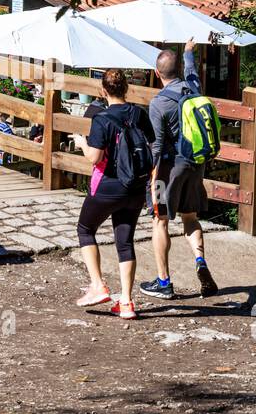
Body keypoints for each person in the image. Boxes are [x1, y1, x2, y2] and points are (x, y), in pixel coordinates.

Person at [75, 69, 155, 320]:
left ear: (103, 91)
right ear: (126, 89)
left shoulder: (102, 119)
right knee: (125, 241)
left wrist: (81, 143)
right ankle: (127, 303)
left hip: (108, 187)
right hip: (135, 187)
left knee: (85, 229)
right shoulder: (139, 114)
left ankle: (98, 285)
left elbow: (95, 157)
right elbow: (152, 145)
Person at [139, 40, 216, 301]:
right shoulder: (193, 88)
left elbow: (157, 145)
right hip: (196, 164)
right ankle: (200, 260)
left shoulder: (159, 103)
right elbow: (193, 71)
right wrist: (189, 52)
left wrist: (148, 173)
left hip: (171, 168)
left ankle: (164, 282)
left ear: (157, 73)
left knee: (160, 221)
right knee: (190, 217)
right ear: (178, 70)